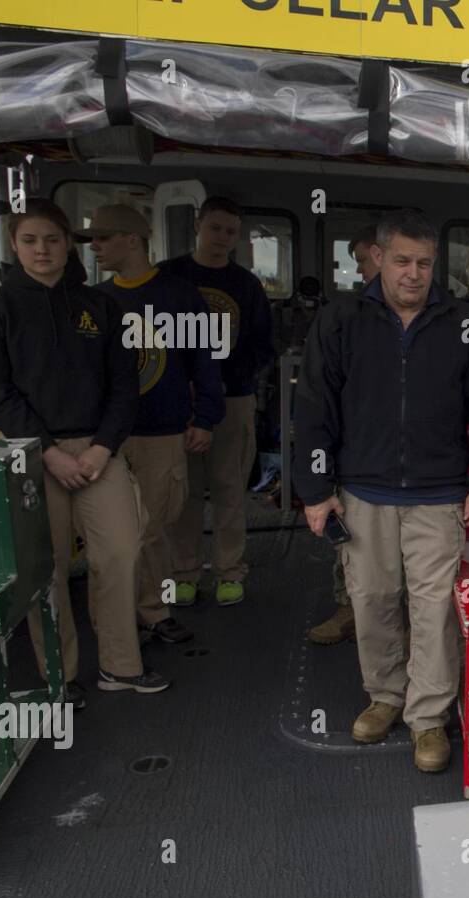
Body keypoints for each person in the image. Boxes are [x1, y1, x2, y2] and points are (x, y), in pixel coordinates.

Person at [293, 210, 469, 772]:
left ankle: (429, 717)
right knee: (370, 600)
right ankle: (385, 696)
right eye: (402, 261)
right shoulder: (342, 321)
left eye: (424, 263)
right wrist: (315, 491)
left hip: (440, 494)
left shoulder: (464, 324)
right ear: (377, 259)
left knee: (434, 608)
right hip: (362, 492)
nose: (413, 273)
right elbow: (313, 409)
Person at [0, 199, 170, 705]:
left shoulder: (100, 307)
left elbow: (124, 387)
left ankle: (121, 667)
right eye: (31, 241)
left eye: (52, 240)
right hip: (34, 455)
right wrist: (50, 452)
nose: (43, 250)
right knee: (49, 568)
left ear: (67, 245)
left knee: (121, 553)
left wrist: (103, 448)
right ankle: (61, 675)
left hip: (98, 452)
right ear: (14, 246)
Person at [80, 205, 225, 646]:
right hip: (108, 438)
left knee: (156, 530)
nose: (97, 248)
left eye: (104, 238)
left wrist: (205, 418)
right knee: (116, 536)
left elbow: (205, 362)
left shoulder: (180, 296)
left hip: (163, 431)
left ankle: (157, 610)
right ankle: (121, 618)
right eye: (93, 241)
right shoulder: (97, 302)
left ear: (133, 240)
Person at [162, 195, 275, 608]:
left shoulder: (246, 285)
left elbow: (263, 345)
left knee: (229, 490)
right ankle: (184, 572)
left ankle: (230, 572)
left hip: (233, 401)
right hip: (177, 404)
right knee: (184, 493)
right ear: (197, 226)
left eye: (230, 232)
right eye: (215, 228)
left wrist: (228, 379)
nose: (221, 238)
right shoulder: (168, 277)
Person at [307, 221, 384, 646]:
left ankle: (401, 623)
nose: (359, 270)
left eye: (360, 260)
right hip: (350, 450)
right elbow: (321, 399)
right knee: (349, 540)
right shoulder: (343, 318)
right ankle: (348, 608)